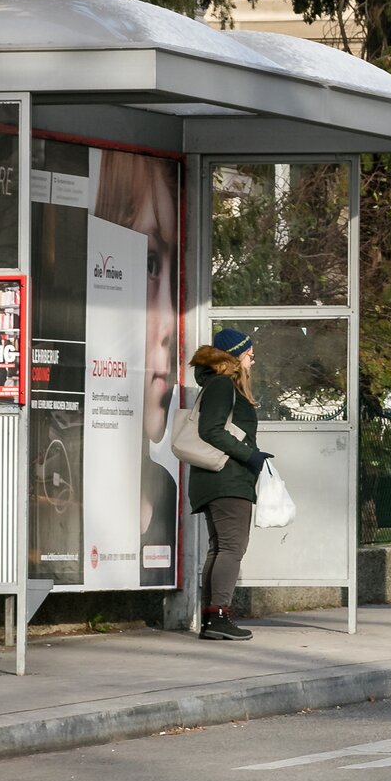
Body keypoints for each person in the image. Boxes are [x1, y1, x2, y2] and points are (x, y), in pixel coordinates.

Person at [95, 151, 182, 551]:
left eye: (177, 273)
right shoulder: (82, 493)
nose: (169, 323)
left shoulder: (172, 496)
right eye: (149, 264)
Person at [187, 328, 270, 640]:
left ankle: (213, 618)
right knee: (232, 548)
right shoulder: (222, 386)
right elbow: (210, 430)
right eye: (249, 352)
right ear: (235, 355)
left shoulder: (218, 385)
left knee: (221, 548)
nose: (253, 357)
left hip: (218, 479)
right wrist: (250, 455)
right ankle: (219, 614)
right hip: (227, 479)